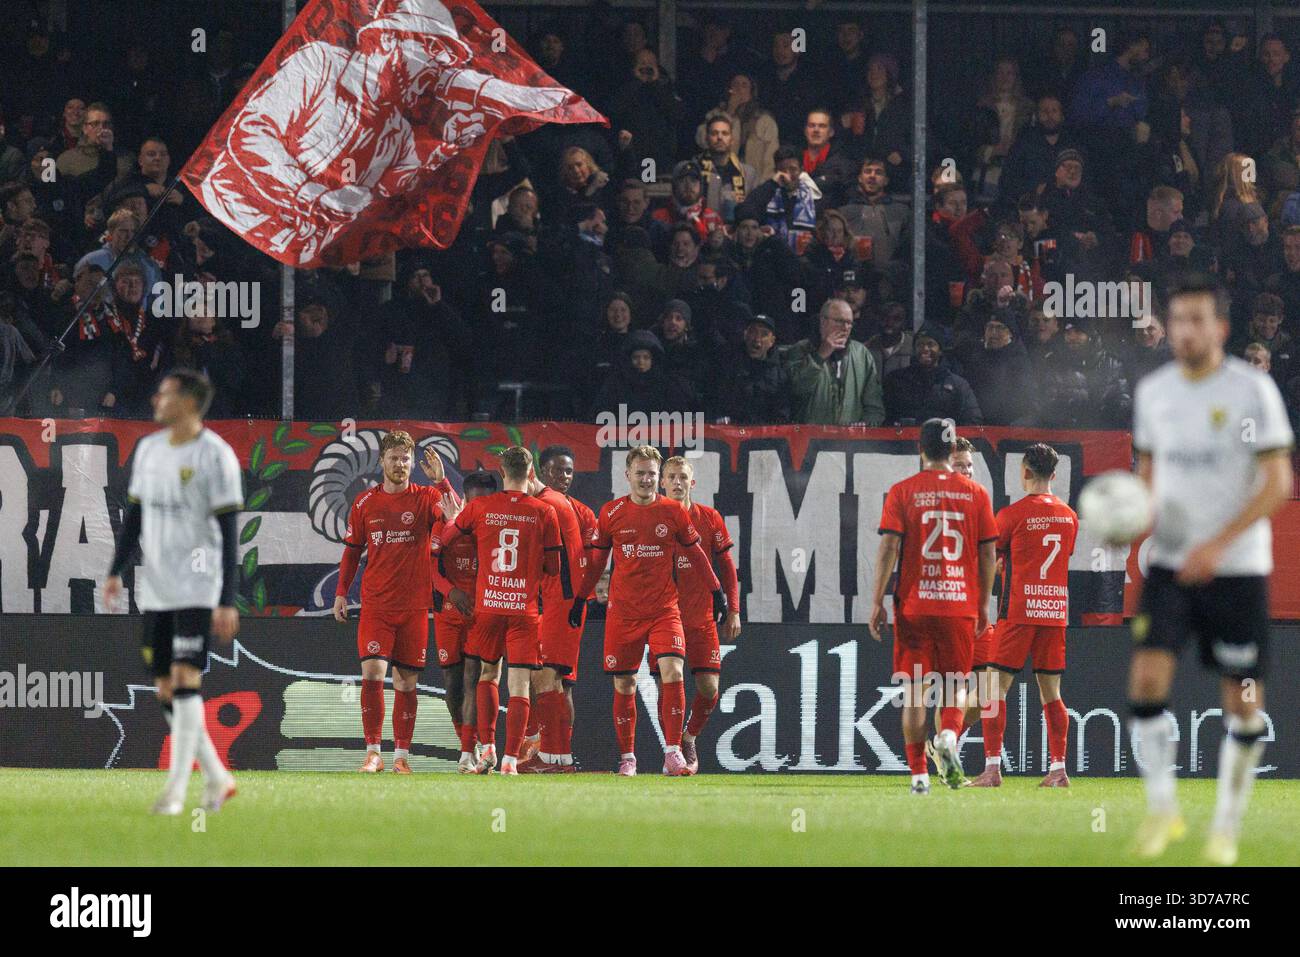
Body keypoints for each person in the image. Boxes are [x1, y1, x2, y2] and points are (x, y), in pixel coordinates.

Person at [1128, 273, 1294, 865]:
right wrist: (1128, 516)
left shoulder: (1253, 393)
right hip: (1173, 566)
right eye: (1178, 320)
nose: (1188, 330)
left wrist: (1219, 546)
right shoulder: (1153, 394)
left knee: (1245, 699)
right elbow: (1149, 481)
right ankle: (1163, 812)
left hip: (1238, 571)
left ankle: (1225, 826)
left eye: (1199, 319)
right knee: (1146, 681)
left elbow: (1278, 481)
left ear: (1220, 328)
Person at [103, 370, 242, 815]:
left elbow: (229, 532)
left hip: (199, 585)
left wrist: (226, 598)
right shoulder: (149, 450)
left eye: (164, 393)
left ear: (187, 401)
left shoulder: (216, 455)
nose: (156, 399)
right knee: (167, 690)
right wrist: (115, 571)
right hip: (157, 588)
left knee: (185, 680)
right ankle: (218, 777)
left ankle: (177, 793)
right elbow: (136, 517)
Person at [567, 446, 727, 776]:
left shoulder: (672, 512)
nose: (646, 479)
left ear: (658, 477)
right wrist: (581, 598)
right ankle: (628, 758)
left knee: (673, 671)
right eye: (640, 473)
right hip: (623, 612)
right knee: (624, 685)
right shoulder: (611, 513)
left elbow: (697, 554)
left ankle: (672, 754)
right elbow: (598, 562)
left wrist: (717, 591)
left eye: (651, 474)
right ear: (627, 476)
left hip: (664, 610)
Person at [866, 417, 998, 794]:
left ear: (920, 449)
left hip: (915, 606)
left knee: (915, 692)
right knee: (957, 685)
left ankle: (919, 776)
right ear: (950, 449)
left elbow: (889, 546)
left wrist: (877, 601)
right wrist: (984, 602)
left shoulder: (903, 491)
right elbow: (987, 552)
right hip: (960, 605)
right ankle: (948, 738)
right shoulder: (976, 494)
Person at [333, 432, 459, 774]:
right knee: (372, 674)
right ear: (382, 461)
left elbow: (455, 517)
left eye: (405, 459)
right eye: (394, 458)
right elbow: (351, 551)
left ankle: (401, 757)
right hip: (376, 605)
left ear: (411, 463)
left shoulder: (426, 497)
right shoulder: (364, 503)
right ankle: (373, 752)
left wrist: (444, 481)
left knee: (406, 683)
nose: (400, 464)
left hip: (415, 606)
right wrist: (341, 592)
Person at [434, 447, 561, 775]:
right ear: (531, 472)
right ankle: (509, 761)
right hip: (523, 609)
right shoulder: (544, 512)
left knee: (486, 675)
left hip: (488, 607)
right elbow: (553, 565)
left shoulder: (480, 507)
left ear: (502, 472)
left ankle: (485, 747)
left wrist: (453, 520)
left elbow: (446, 538)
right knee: (519, 686)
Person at [966, 443, 1078, 788]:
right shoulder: (1069, 517)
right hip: (1055, 612)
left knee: (994, 689)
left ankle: (992, 769)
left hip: (1018, 611)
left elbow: (993, 559)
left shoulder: (1011, 515)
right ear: (1055, 475)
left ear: (1025, 472)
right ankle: (1058, 769)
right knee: (1052, 692)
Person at [658, 456, 742, 774]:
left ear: (692, 483)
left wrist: (733, 608)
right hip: (664, 619)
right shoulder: (653, 519)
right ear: (662, 482)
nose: (677, 483)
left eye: (683, 477)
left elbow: (727, 569)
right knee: (669, 684)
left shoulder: (708, 518)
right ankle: (673, 750)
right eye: (671, 477)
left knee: (708, 688)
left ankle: (688, 736)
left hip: (702, 619)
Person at [519, 445, 599, 772]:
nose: (564, 477)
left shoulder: (551, 506)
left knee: (545, 678)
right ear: (542, 471)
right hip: (559, 602)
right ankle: (561, 758)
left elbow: (592, 554)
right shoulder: (562, 505)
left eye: (568, 471)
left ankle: (549, 757)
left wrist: (584, 592)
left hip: (561, 603)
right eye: (557, 471)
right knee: (560, 683)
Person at [430, 469, 496, 773]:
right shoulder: (445, 523)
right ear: (465, 501)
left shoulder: (495, 528)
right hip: (447, 614)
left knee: (472, 679)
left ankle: (468, 751)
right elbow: (430, 569)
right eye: (473, 504)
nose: (478, 509)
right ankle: (466, 741)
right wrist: (451, 591)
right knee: (452, 686)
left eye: (484, 503)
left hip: (478, 615)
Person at [783, 298, 885, 425]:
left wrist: (866, 425)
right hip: (810, 439)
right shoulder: (800, 349)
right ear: (823, 321)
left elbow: (874, 405)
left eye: (849, 323)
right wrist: (820, 356)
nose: (845, 328)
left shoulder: (861, 354)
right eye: (840, 321)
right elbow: (795, 390)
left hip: (850, 441)